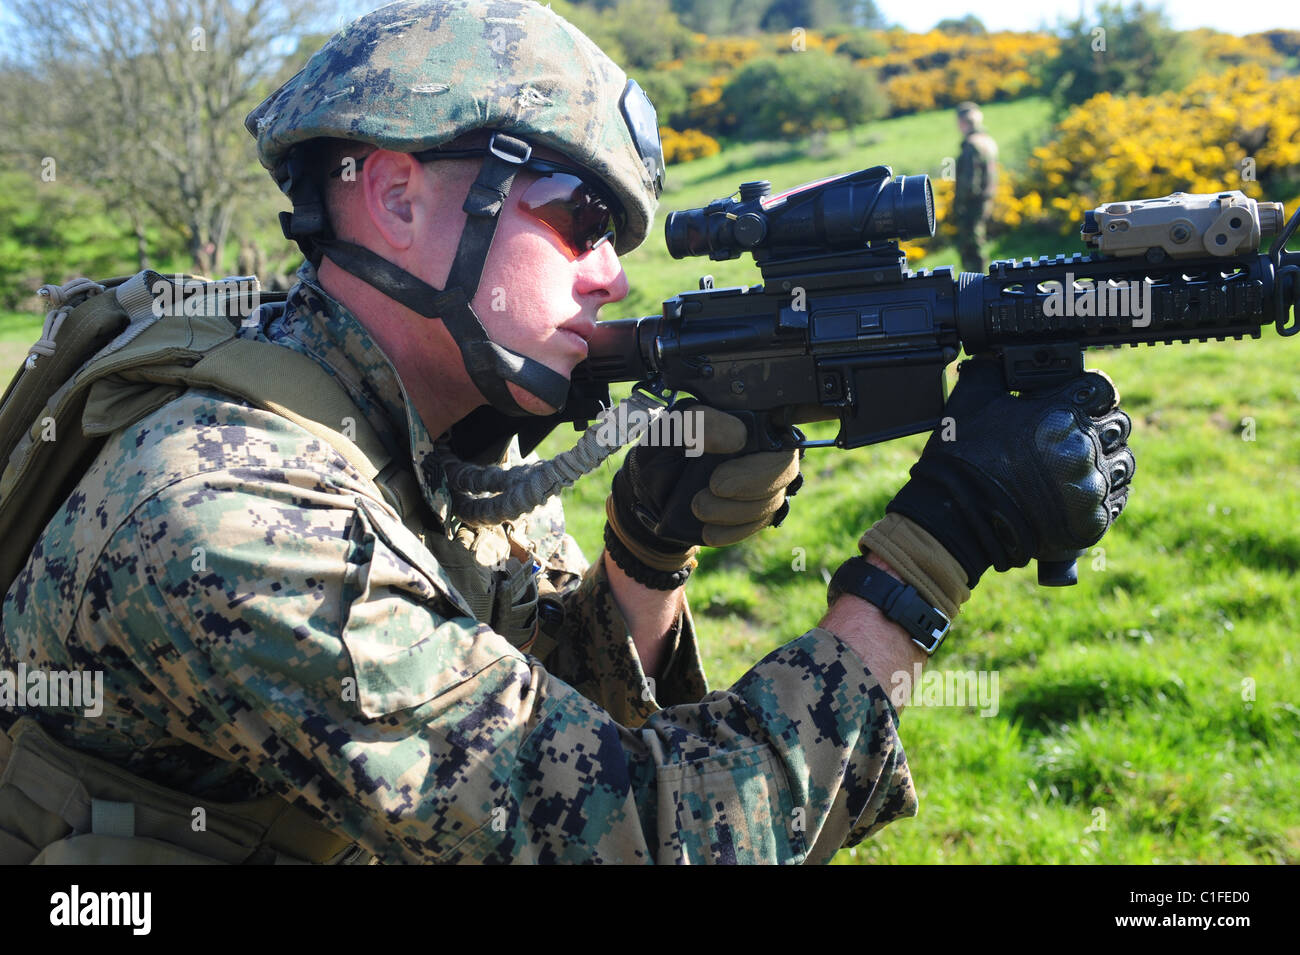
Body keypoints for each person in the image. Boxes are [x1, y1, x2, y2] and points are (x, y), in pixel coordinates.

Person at [0, 0, 1134, 864]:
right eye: (577, 217)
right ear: (396, 198)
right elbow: (631, 829)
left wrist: (642, 560)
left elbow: (553, 717)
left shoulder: (456, 430)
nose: (610, 271)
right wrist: (930, 555)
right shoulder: (224, 512)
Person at [952, 101, 999, 273]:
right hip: (985, 200)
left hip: (972, 203)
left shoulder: (971, 144)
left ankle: (976, 284)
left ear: (962, 122)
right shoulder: (987, 141)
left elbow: (969, 183)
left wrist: (958, 205)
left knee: (972, 246)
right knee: (979, 240)